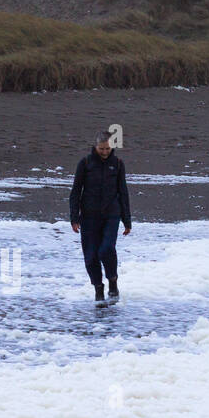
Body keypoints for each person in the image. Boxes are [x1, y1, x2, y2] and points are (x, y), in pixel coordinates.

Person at [70, 130, 132, 306]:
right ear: (95, 147)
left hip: (111, 215)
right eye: (101, 149)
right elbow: (76, 191)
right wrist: (74, 218)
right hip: (89, 217)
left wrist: (127, 221)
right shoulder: (86, 163)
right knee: (90, 257)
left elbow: (123, 193)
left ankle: (113, 281)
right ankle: (98, 290)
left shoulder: (118, 164)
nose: (105, 152)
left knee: (105, 250)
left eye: (108, 149)